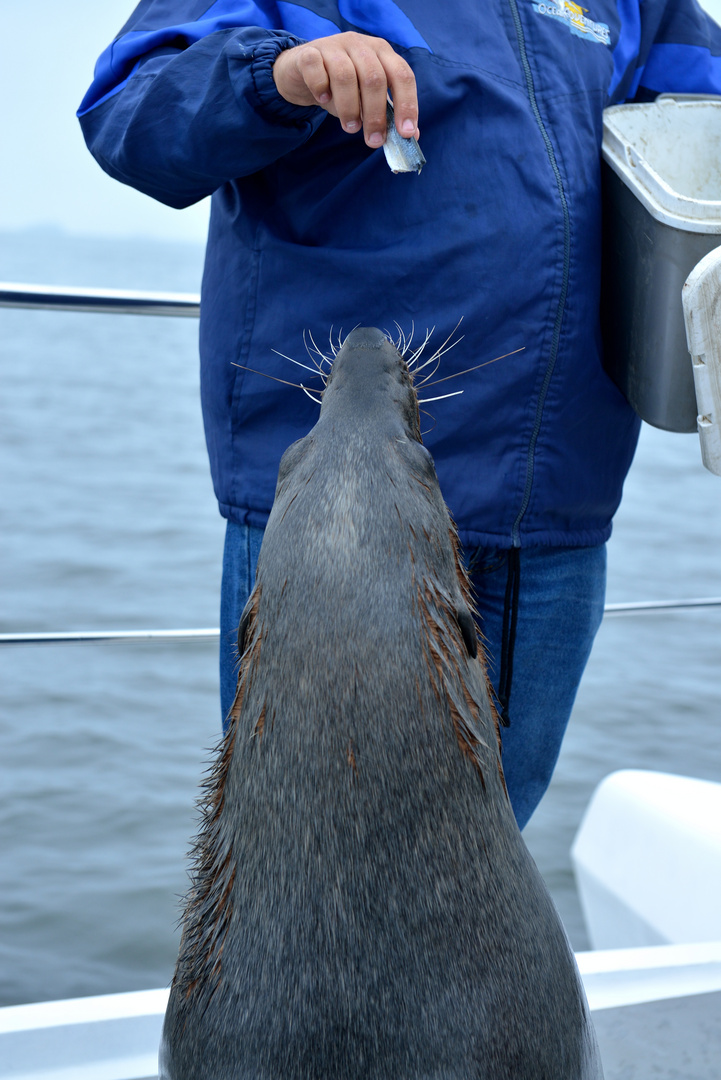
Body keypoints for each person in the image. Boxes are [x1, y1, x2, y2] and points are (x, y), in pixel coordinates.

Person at [79, 0, 721, 829]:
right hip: (336, 514)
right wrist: (278, 76)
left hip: (555, 510)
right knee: (304, 850)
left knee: (492, 853)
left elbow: (699, 114)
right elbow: (129, 115)